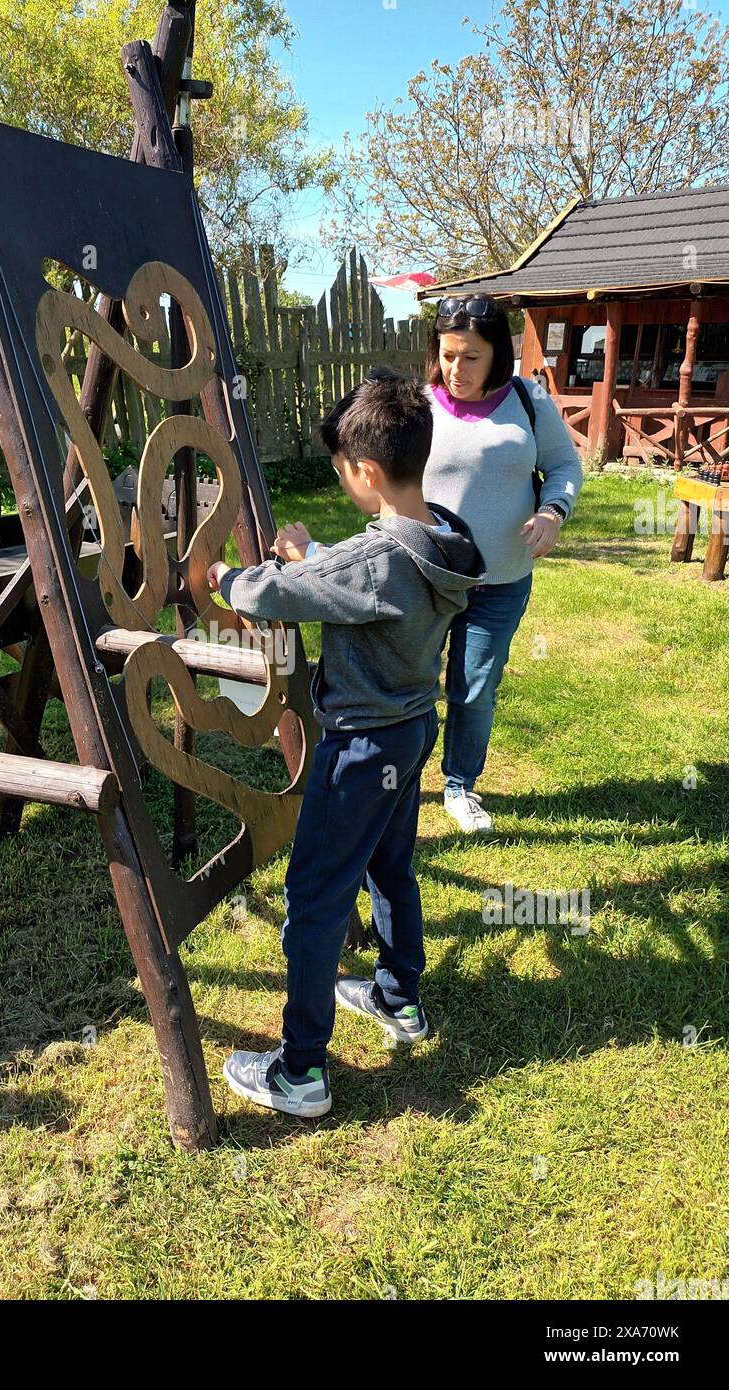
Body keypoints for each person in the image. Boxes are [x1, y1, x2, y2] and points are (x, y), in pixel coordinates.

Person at [206, 373, 485, 1118]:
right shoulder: (443, 540)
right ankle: (398, 999)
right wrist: (314, 556)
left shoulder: (375, 559)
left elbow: (266, 594)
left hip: (359, 751)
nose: (342, 482)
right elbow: (365, 583)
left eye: (341, 472)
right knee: (390, 868)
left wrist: (220, 575)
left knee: (315, 898)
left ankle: (300, 1074)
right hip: (409, 732)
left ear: (363, 471)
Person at [421, 294, 583, 832]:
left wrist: (553, 511)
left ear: (497, 355)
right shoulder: (417, 406)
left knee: (473, 685)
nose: (456, 369)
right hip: (424, 578)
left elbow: (563, 464)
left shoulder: (528, 400)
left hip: (501, 581)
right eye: (447, 354)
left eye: (471, 356)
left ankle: (459, 786)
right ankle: (393, 776)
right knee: (410, 680)